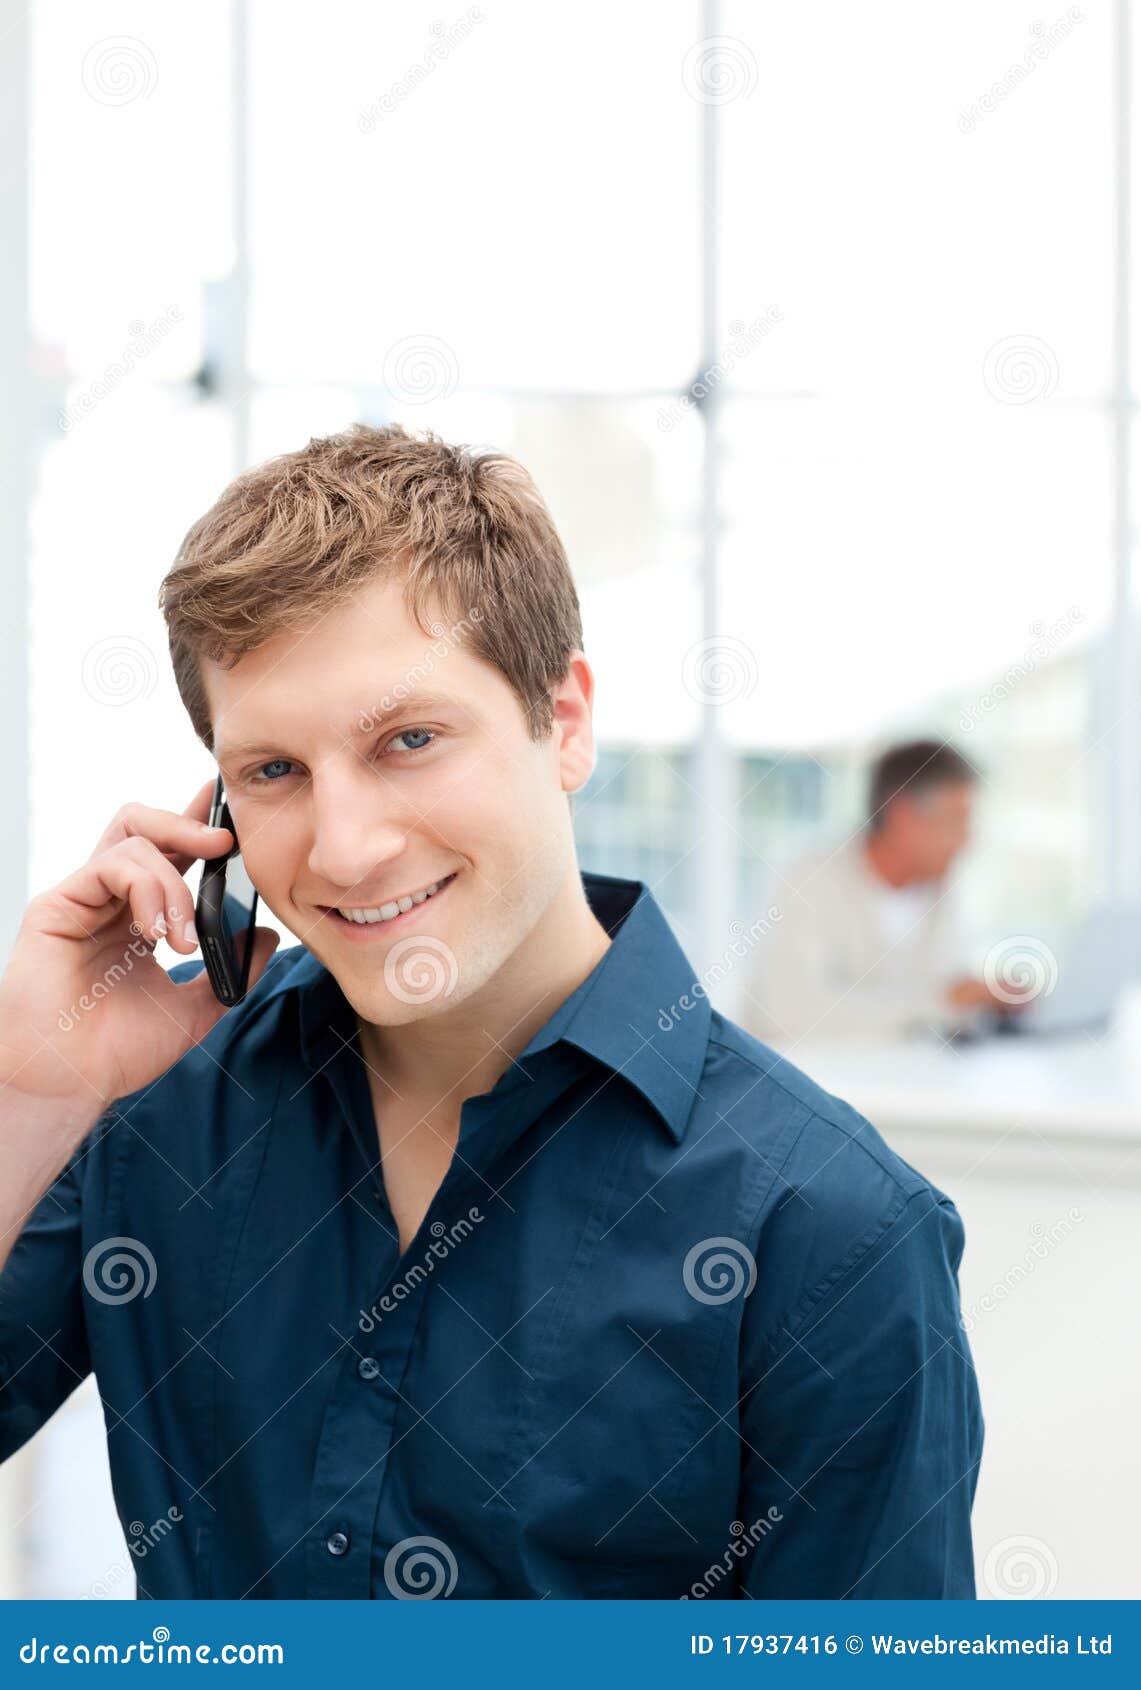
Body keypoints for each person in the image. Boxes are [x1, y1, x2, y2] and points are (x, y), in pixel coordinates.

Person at [0, 426, 982, 1599]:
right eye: (274, 771)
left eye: (408, 740)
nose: (348, 847)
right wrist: (30, 1092)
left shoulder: (828, 1230)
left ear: (562, 720)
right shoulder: (147, 1121)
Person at [746, 739, 1013, 1047]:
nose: (967, 840)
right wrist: (943, 1001)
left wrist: (983, 999)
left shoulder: (939, 890)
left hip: (906, 1086)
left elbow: (948, 1002)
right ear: (902, 816)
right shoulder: (807, 880)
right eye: (955, 821)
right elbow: (792, 1014)